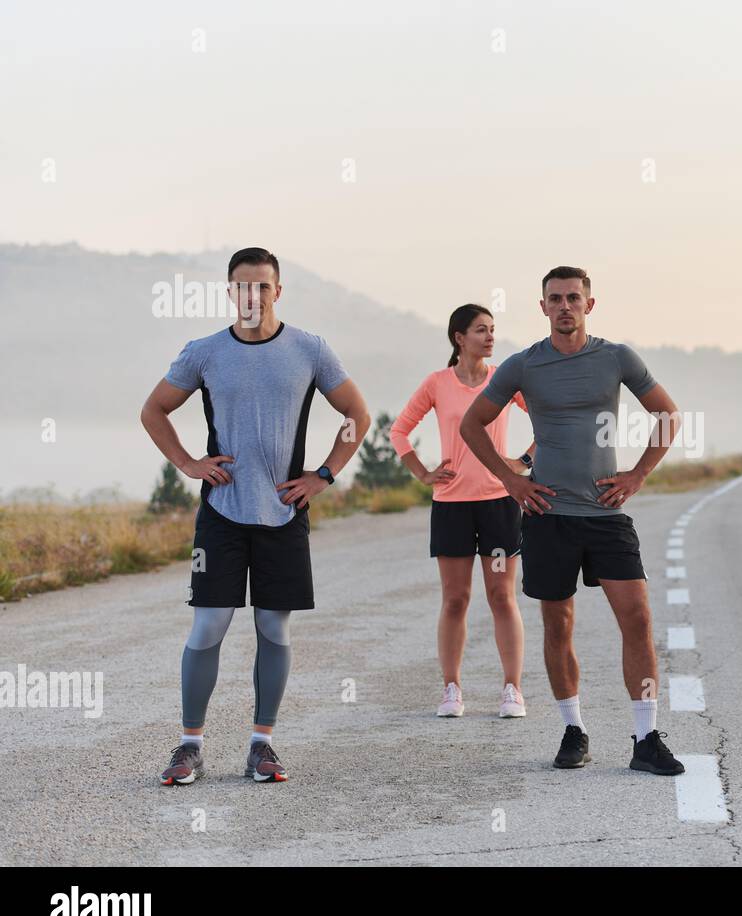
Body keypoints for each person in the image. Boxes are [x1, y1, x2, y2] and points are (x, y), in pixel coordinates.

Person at [141, 247, 369, 785]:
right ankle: (190, 746)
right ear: (230, 292)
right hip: (221, 512)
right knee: (209, 625)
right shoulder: (204, 352)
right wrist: (188, 463)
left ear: (277, 291)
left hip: (284, 514)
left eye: (262, 287)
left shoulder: (309, 350)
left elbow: (357, 414)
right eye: (243, 287)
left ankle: (262, 745)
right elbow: (153, 410)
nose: (252, 296)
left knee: (273, 626)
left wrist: (324, 475)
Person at [459, 266, 685, 775]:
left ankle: (646, 738)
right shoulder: (524, 365)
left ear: (590, 304)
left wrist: (638, 475)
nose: (565, 306)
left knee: (639, 619)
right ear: (543, 307)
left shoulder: (615, 357)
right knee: (558, 623)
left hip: (606, 513)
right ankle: (572, 730)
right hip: (548, 515)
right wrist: (512, 482)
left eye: (573, 298)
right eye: (555, 299)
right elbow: (472, 424)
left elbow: (668, 415)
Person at [390, 304, 535, 719]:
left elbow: (548, 421)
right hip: (451, 505)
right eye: (480, 330)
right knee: (455, 599)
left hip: (499, 502)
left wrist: (522, 462)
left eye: (492, 330)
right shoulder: (437, 383)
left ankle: (512, 689)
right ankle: (451, 689)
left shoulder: (504, 381)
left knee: (501, 596)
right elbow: (399, 430)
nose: (490, 337)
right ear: (459, 338)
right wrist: (422, 473)